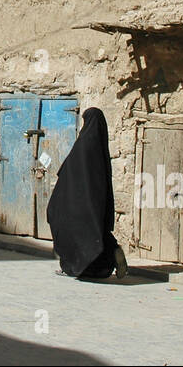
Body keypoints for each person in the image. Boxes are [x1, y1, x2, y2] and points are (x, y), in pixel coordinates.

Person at [46, 107, 129, 280]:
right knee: (95, 232)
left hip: (77, 205)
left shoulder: (82, 145)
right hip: (95, 204)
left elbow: (67, 174)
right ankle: (111, 252)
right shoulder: (100, 148)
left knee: (65, 225)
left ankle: (72, 267)